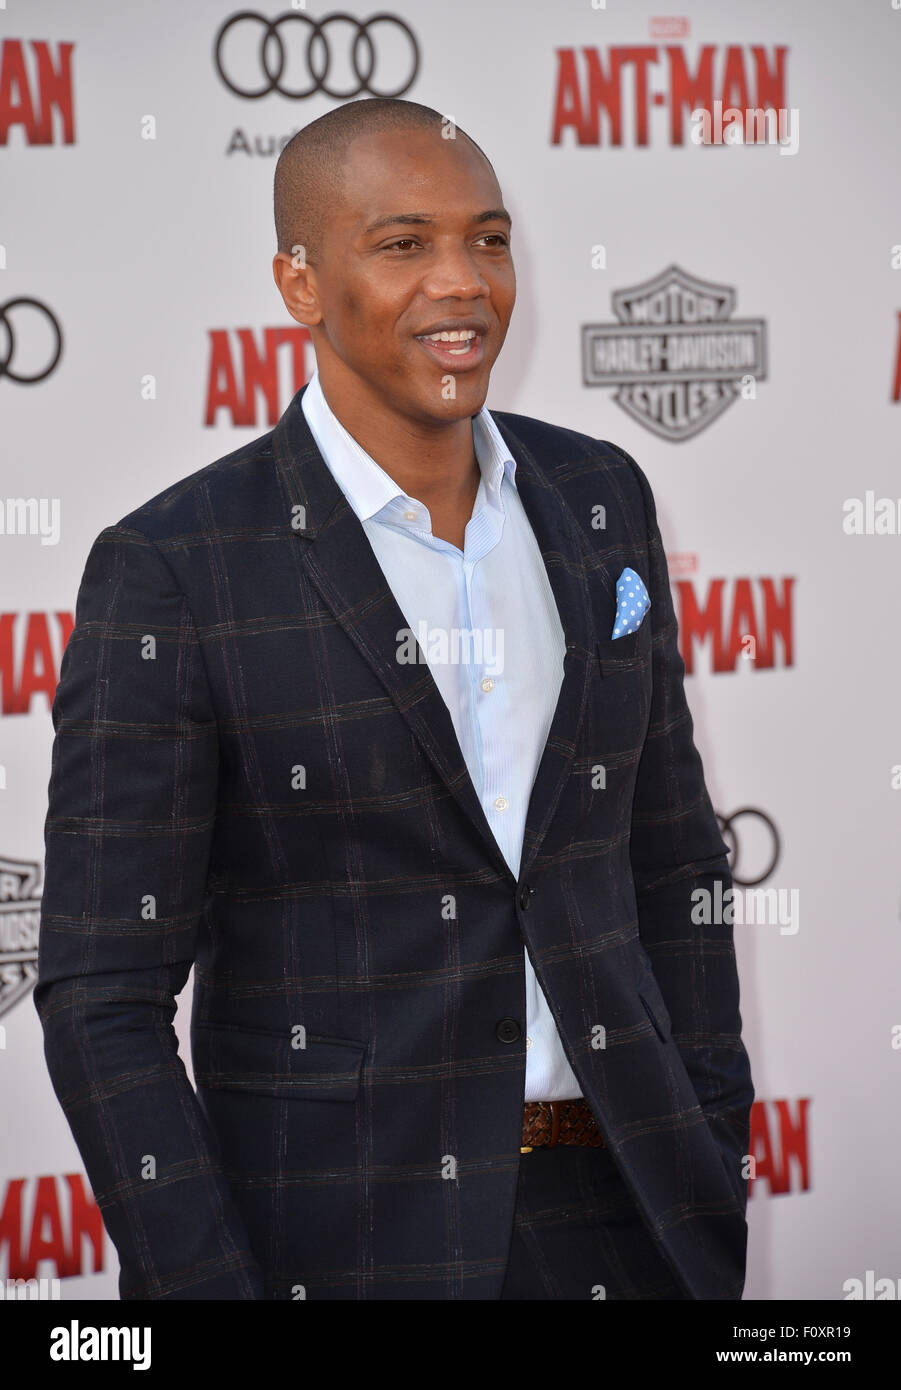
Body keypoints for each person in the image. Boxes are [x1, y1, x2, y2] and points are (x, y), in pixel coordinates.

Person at [34, 97, 754, 1301]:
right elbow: (102, 991)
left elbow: (671, 857)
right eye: (404, 244)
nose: (462, 283)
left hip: (635, 1216)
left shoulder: (599, 497)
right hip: (342, 1240)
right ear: (300, 284)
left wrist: (710, 1138)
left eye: (488, 238)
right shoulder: (180, 564)